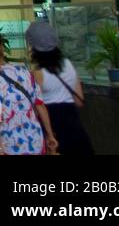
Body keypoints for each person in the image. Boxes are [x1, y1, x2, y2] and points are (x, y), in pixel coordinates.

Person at [0, 28, 57, 156]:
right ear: (1, 47)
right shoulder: (24, 72)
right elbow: (39, 105)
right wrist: (50, 135)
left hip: (10, 145)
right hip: (35, 141)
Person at [26, 20, 93, 155]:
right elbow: (79, 100)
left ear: (33, 47)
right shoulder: (68, 64)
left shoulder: (37, 73)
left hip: (51, 125)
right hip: (73, 123)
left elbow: (35, 106)